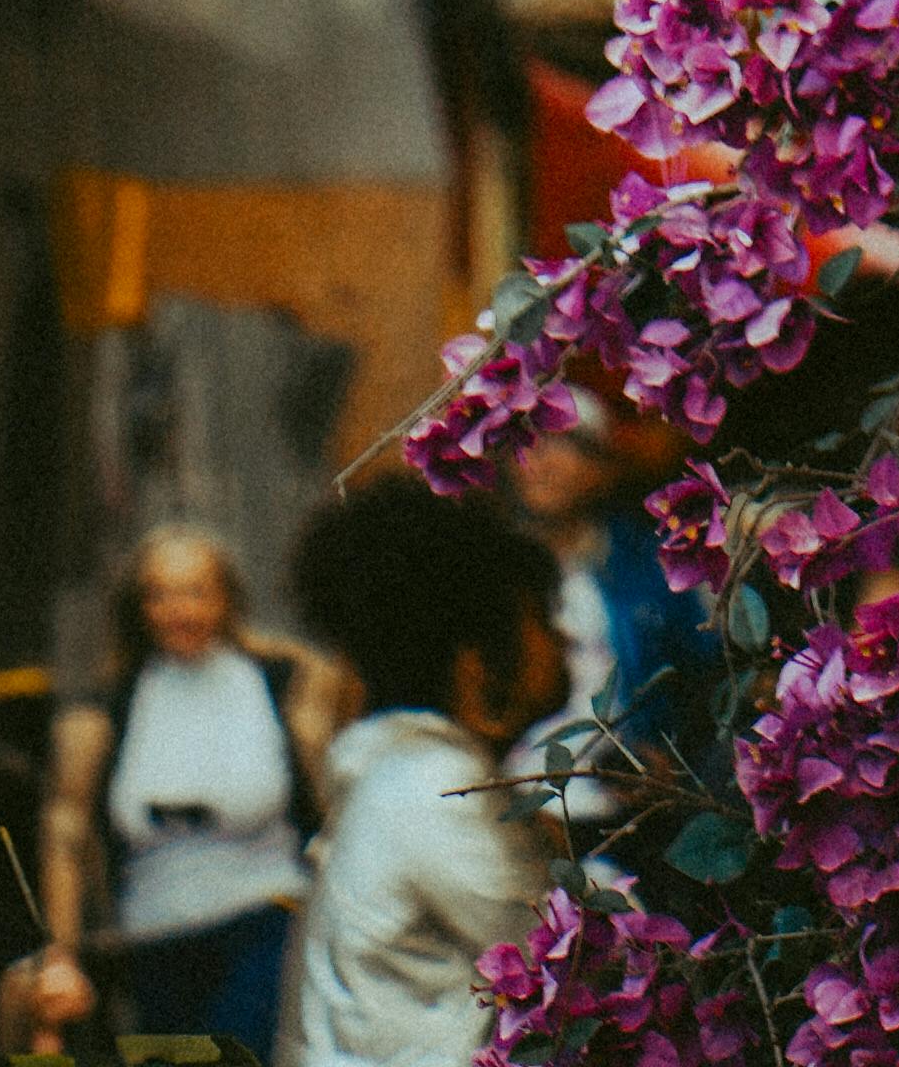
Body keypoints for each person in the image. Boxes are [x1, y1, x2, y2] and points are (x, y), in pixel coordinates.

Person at [283, 474, 567, 1067]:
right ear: (474, 663)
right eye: (542, 618)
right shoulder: (433, 786)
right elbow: (564, 951)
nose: (561, 639)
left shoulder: (396, 776)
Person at [39, 524, 316, 1067]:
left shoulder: (277, 683)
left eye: (196, 592)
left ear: (226, 599)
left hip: (262, 922)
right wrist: (61, 951)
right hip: (153, 937)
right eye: (160, 595)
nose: (179, 611)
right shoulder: (114, 704)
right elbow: (66, 831)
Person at [506, 407, 710, 815]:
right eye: (530, 439)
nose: (544, 458)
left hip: (617, 807)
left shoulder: (651, 569)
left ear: (608, 467)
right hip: (506, 795)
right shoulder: (482, 560)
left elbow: (705, 670)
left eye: (572, 444)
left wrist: (666, 752)